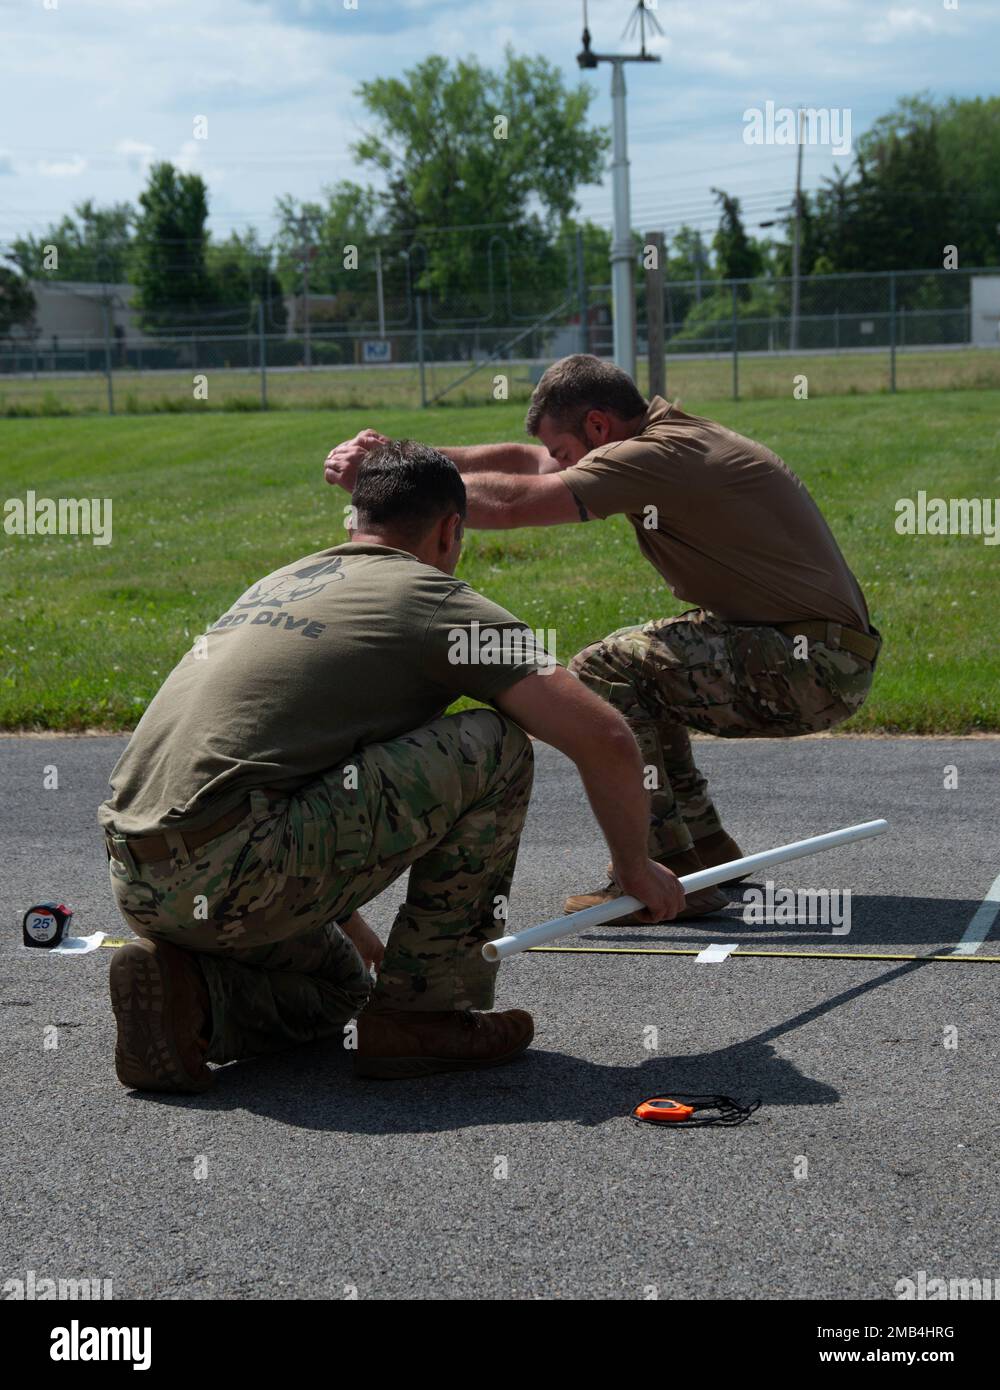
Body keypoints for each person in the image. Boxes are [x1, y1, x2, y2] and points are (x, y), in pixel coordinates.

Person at [100, 440, 684, 1093]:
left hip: (144, 880)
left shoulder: (279, 584)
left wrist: (345, 919)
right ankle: (425, 1015)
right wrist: (635, 867)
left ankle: (191, 999)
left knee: (340, 987)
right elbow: (604, 735)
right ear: (450, 530)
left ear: (354, 522)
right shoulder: (432, 601)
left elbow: (283, 758)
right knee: (496, 744)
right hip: (241, 870)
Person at [323, 355, 881, 924]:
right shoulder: (665, 438)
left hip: (811, 668)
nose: (557, 464)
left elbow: (516, 501)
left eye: (566, 452)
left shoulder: (655, 456)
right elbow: (528, 461)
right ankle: (701, 853)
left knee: (608, 670)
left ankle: (654, 876)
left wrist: (384, 489)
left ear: (597, 427)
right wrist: (405, 458)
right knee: (649, 667)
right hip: (812, 653)